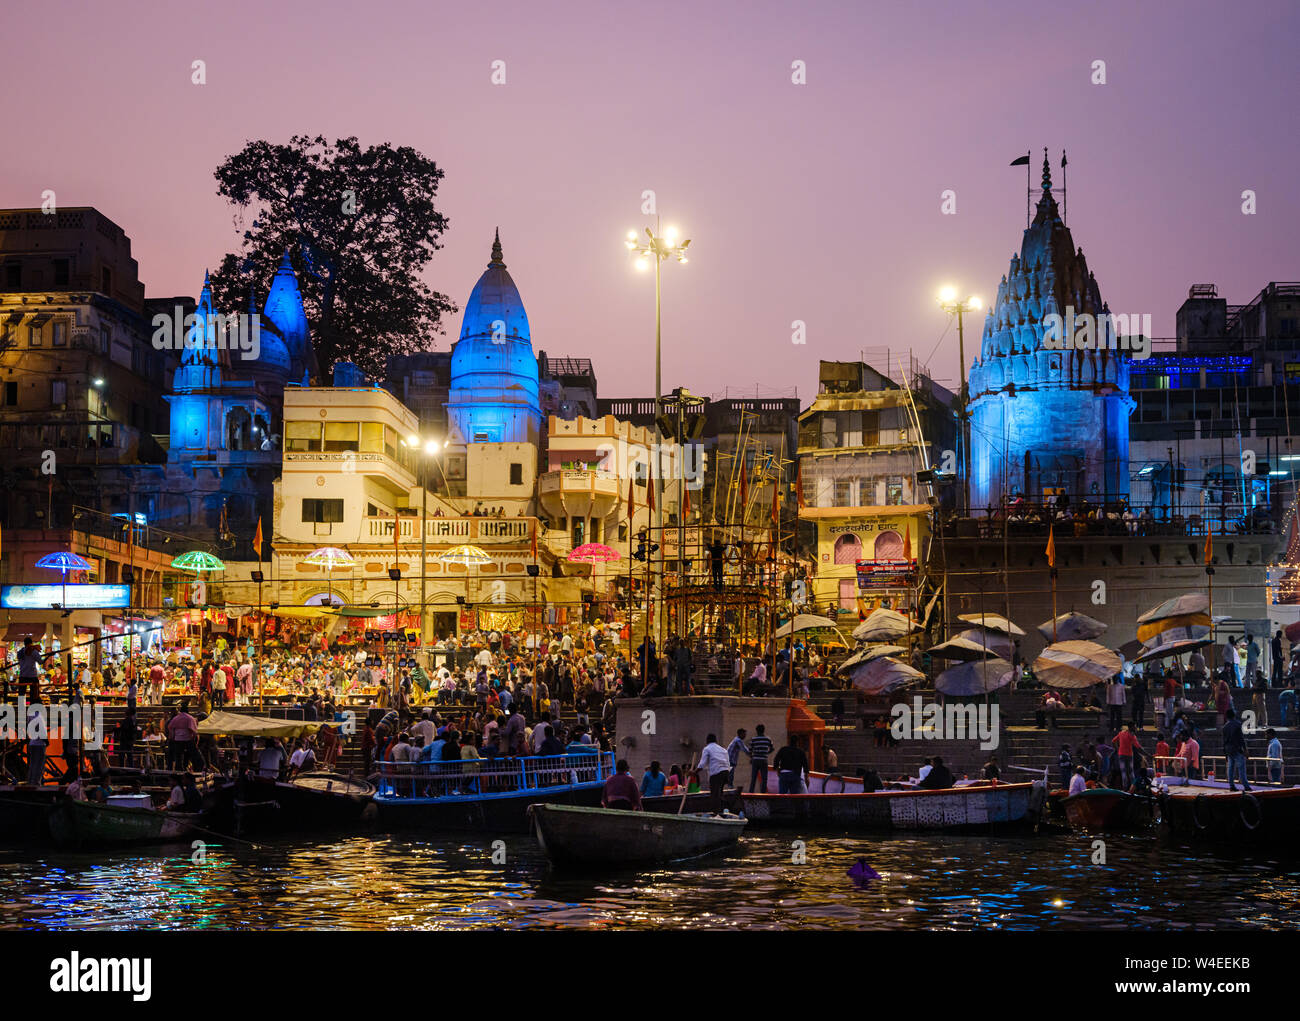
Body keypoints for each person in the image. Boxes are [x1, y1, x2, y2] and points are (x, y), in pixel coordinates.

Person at [697, 733, 732, 814]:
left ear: (707, 741)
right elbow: (728, 763)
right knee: (720, 793)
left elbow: (702, 764)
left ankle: (716, 813)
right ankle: (722, 811)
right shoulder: (723, 749)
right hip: (726, 772)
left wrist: (694, 772)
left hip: (717, 773)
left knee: (715, 794)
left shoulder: (707, 749)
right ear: (716, 741)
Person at [1222, 708, 1251, 792]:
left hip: (1229, 750)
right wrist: (1245, 749)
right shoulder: (1238, 724)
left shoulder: (1225, 727)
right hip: (1237, 749)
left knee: (1230, 768)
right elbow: (1241, 739)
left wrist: (1225, 754)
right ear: (1234, 715)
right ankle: (1246, 786)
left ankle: (1231, 785)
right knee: (1241, 768)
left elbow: (1224, 741)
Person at [1112, 724, 1142, 790]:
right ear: (1131, 727)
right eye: (1135, 727)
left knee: (1124, 772)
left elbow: (1113, 741)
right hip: (1129, 755)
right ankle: (1133, 788)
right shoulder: (1132, 736)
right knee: (1131, 772)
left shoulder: (1121, 733)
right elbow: (1139, 747)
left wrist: (1118, 749)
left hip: (1121, 754)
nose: (1136, 728)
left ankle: (1125, 788)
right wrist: (1148, 755)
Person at [747, 723, 774, 793]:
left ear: (757, 731)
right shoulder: (768, 739)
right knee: (764, 778)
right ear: (764, 730)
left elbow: (750, 750)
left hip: (755, 760)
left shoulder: (753, 739)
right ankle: (763, 793)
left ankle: (751, 793)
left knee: (753, 778)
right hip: (764, 760)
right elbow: (772, 748)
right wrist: (766, 753)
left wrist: (751, 757)